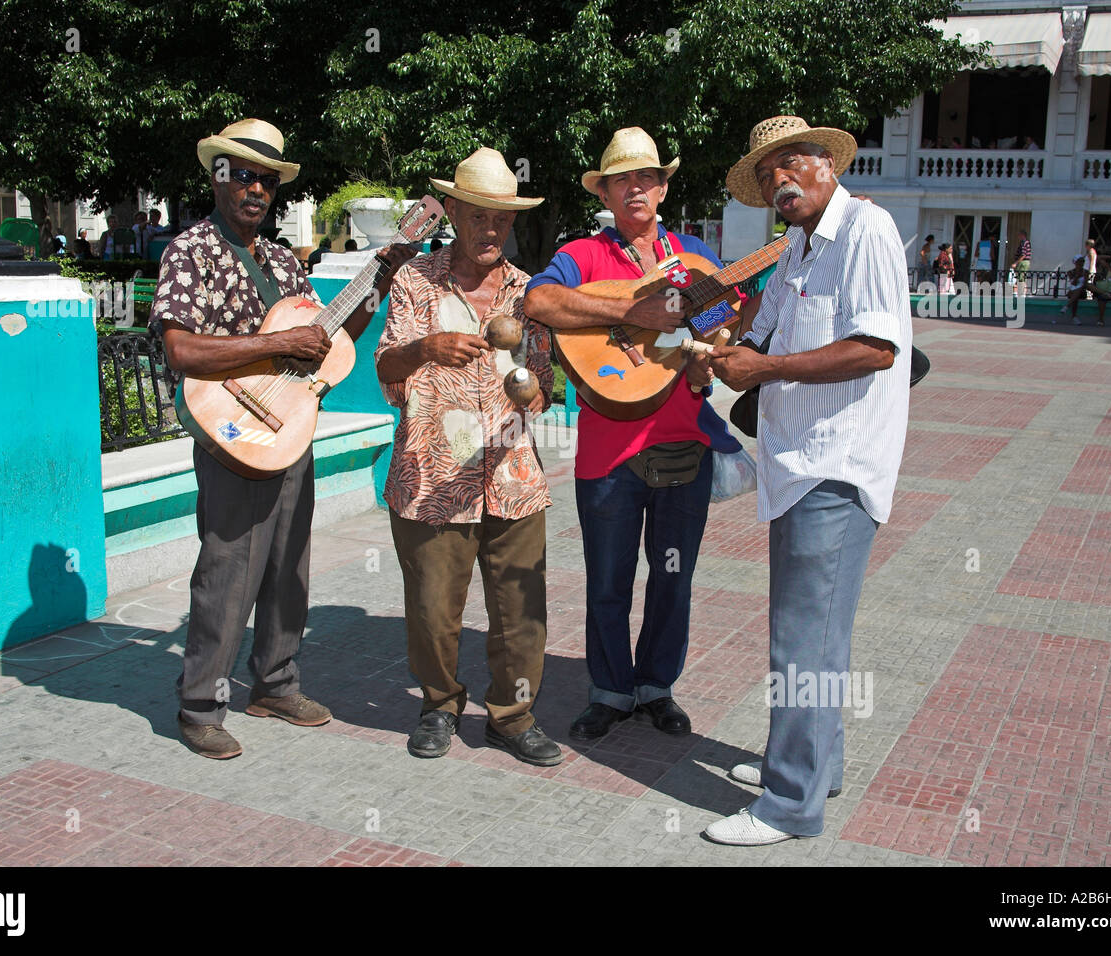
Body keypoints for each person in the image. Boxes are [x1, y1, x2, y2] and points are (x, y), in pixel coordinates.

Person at [150, 118, 415, 758]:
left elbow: (326, 335)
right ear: (218, 177)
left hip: (289, 428)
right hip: (231, 428)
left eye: (267, 180)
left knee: (288, 567)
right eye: (243, 175)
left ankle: (273, 681)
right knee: (226, 571)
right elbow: (180, 348)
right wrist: (276, 344)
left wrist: (382, 276)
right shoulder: (191, 251)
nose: (255, 189)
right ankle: (199, 706)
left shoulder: (279, 260)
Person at [702, 116, 911, 846]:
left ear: (828, 164)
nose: (779, 180)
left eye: (792, 162)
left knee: (802, 642)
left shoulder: (866, 232)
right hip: (797, 468)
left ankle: (790, 806)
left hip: (835, 465)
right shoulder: (796, 247)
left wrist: (765, 371)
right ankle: (814, 765)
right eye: (765, 173)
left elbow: (878, 348)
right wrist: (729, 350)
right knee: (817, 639)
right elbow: (768, 334)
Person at [523, 127, 749, 741]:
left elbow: (715, 334)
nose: (635, 189)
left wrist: (708, 353)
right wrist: (629, 311)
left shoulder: (697, 257)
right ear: (606, 190)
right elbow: (539, 301)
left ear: (663, 187)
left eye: (645, 177)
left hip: (685, 442)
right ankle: (609, 691)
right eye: (621, 179)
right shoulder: (583, 256)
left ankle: (656, 687)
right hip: (607, 450)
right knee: (608, 580)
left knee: (673, 577)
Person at [376, 148, 561, 766]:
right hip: (431, 475)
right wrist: (424, 349)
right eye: (479, 214)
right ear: (453, 210)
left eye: (501, 219)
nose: (490, 229)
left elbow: (542, 384)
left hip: (512, 476)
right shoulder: (413, 281)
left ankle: (512, 717)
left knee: (522, 612)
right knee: (433, 609)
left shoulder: (528, 293)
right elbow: (386, 370)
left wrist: (536, 390)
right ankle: (438, 705)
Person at [1057, 255, 1089, 325]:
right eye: (1080, 261)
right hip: (1073, 291)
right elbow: (1073, 283)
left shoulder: (1086, 272)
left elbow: (1085, 284)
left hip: (1082, 292)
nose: (1081, 263)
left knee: (1078, 291)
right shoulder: (1070, 272)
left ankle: (1067, 307)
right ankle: (1074, 317)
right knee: (1075, 297)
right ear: (1075, 262)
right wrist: (1077, 275)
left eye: (1083, 261)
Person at [1010, 229, 1031, 295]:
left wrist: (1015, 263)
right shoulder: (1024, 242)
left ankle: (1020, 294)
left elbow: (1023, 254)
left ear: (1022, 235)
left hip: (1023, 262)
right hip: (1023, 262)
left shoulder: (1024, 242)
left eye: (1019, 235)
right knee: (1019, 278)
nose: (1018, 236)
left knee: (1021, 279)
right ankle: (1017, 293)